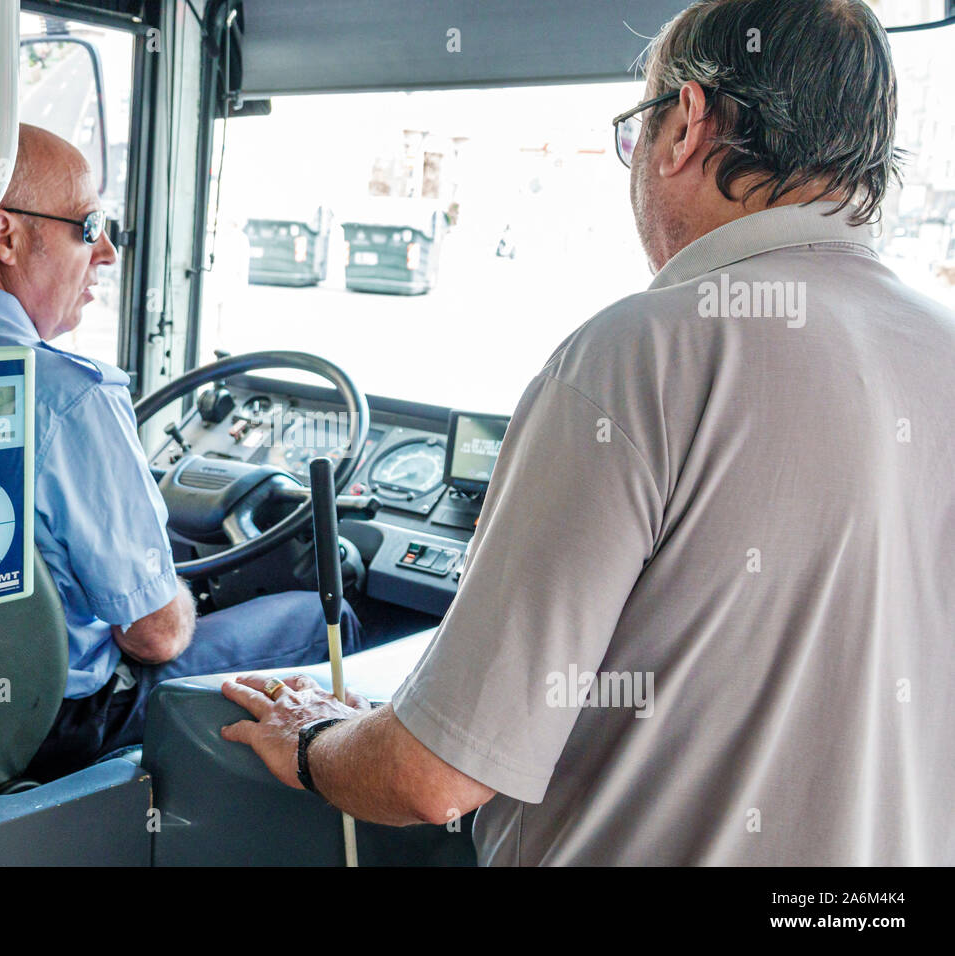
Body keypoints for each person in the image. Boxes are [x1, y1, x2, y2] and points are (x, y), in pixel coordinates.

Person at [222, 0, 955, 865]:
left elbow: (433, 775)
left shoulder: (641, 354)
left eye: (633, 130)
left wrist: (315, 740)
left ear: (685, 124)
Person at [0, 124, 360, 780]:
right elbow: (154, 634)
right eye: (87, 223)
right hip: (65, 722)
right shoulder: (68, 396)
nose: (104, 251)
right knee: (318, 616)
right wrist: (184, 595)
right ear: (4, 235)